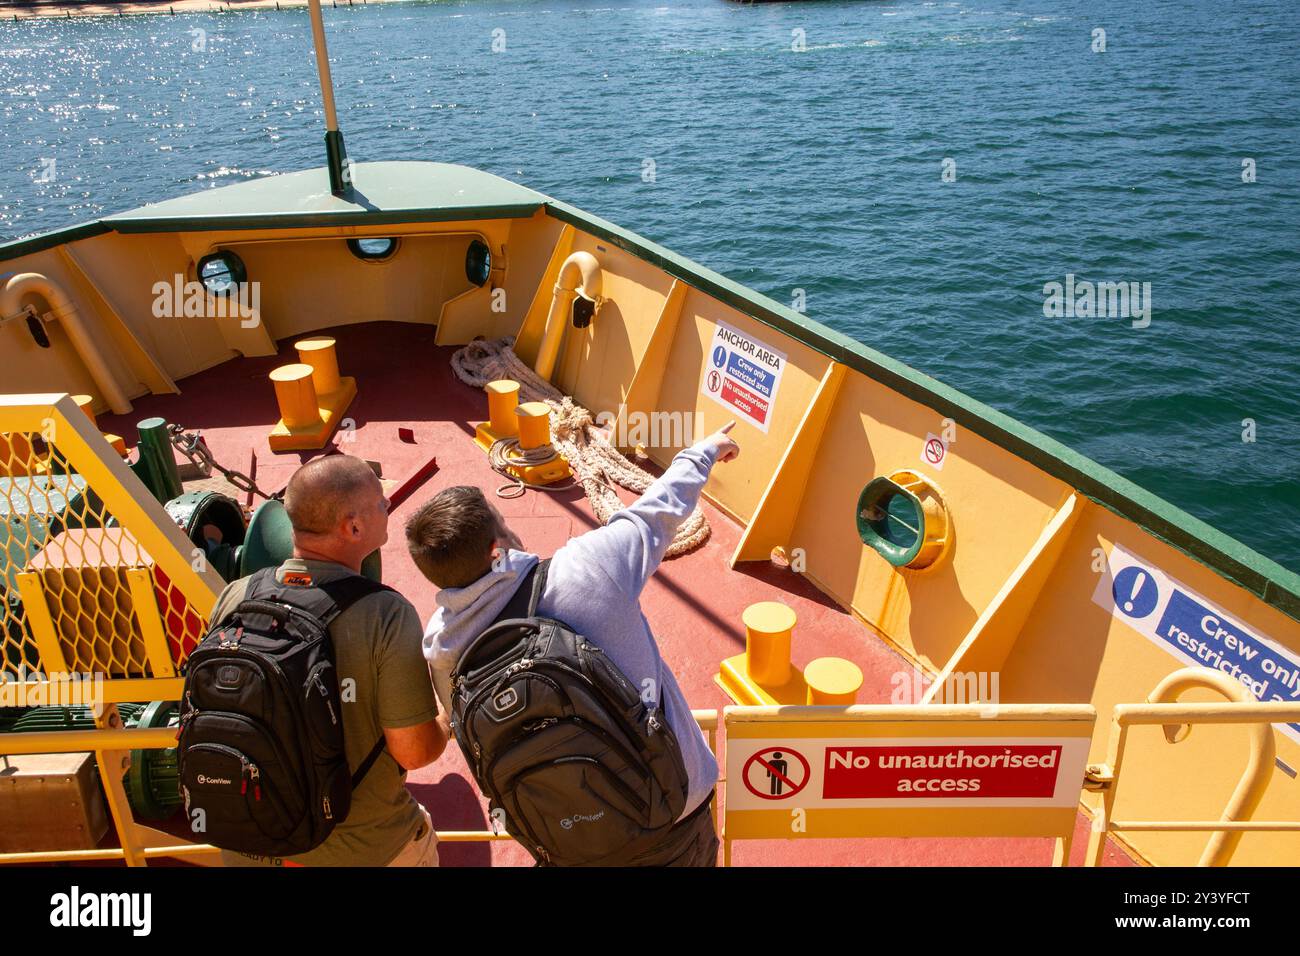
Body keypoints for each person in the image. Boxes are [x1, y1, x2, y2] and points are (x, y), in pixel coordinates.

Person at [405, 421, 741, 866]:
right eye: (503, 523)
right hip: (669, 819)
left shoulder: (441, 647)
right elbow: (658, 512)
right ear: (495, 549)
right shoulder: (586, 567)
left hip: (564, 842)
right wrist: (704, 452)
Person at [210, 454, 449, 867]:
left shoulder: (235, 595)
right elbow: (413, 753)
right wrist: (448, 715)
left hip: (248, 841)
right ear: (353, 527)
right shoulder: (385, 614)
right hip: (362, 850)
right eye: (380, 502)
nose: (387, 507)